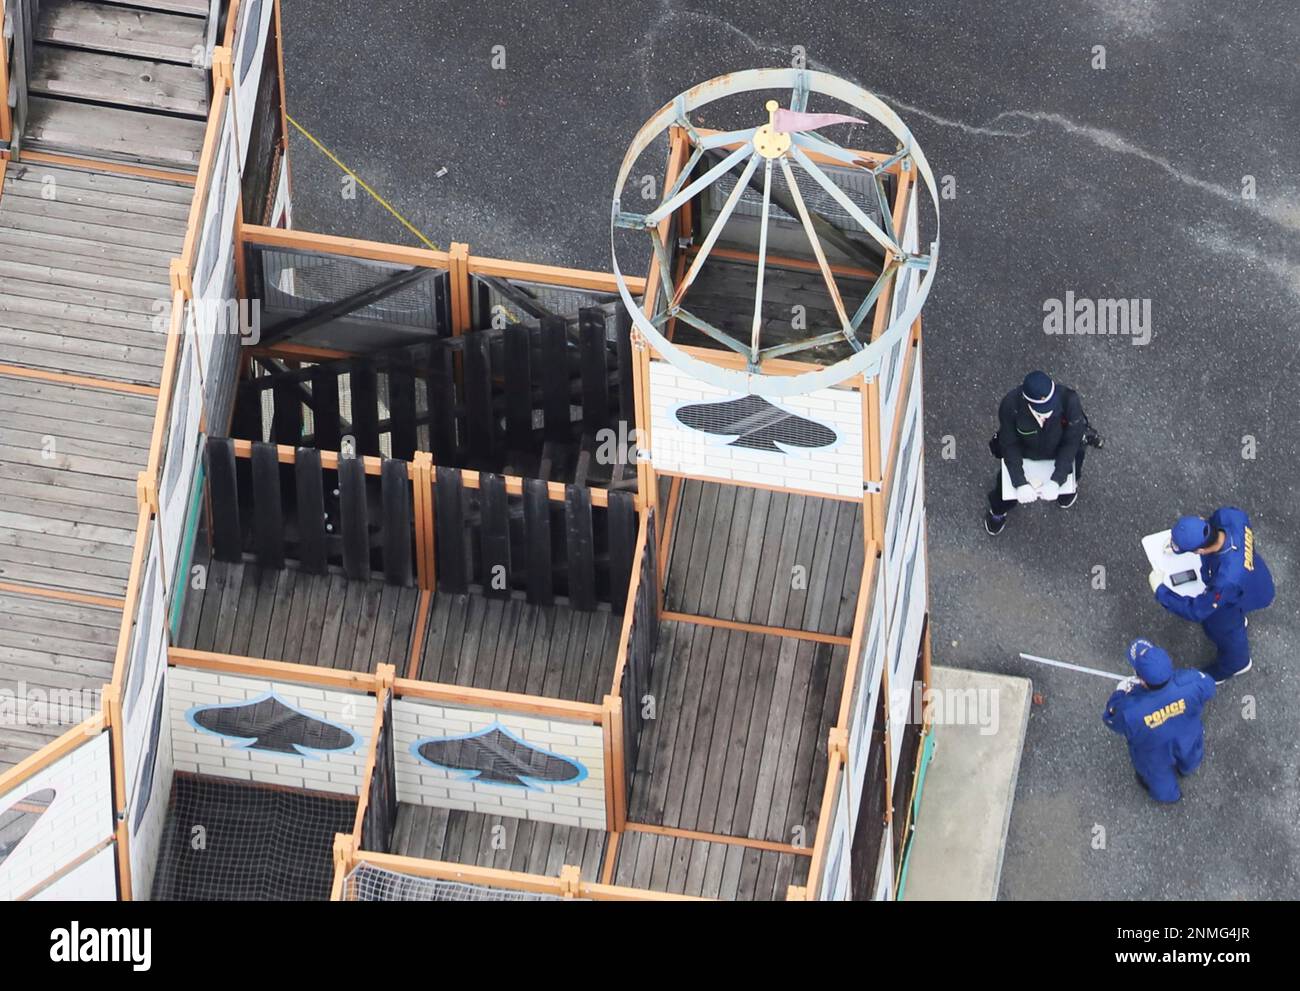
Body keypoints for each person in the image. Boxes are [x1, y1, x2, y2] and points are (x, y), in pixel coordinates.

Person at [1149, 508, 1275, 683]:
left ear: (1200, 550)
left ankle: (1236, 664)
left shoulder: (1225, 582)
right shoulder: (1231, 516)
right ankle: (1239, 621)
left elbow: (1197, 610)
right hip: (1255, 576)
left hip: (1236, 596)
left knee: (1220, 627)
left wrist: (1161, 591)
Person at [984, 370, 1100, 535]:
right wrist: (1020, 483)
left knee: (1073, 471)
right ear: (1027, 402)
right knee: (1005, 485)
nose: (1048, 413)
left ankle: (1068, 489)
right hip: (1027, 451)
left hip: (1060, 448)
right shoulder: (1011, 405)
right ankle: (998, 511)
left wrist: (1057, 480)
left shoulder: (1069, 400)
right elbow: (1009, 445)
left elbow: (1071, 442)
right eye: (1042, 410)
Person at [1103, 639, 1216, 803]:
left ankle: (1170, 797)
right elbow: (1209, 687)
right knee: (1190, 754)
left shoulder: (1129, 709)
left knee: (1157, 775)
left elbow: (1111, 720)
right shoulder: (1192, 681)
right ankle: (1188, 768)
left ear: (1142, 680)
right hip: (1187, 735)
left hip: (1154, 751)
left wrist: (1119, 694)